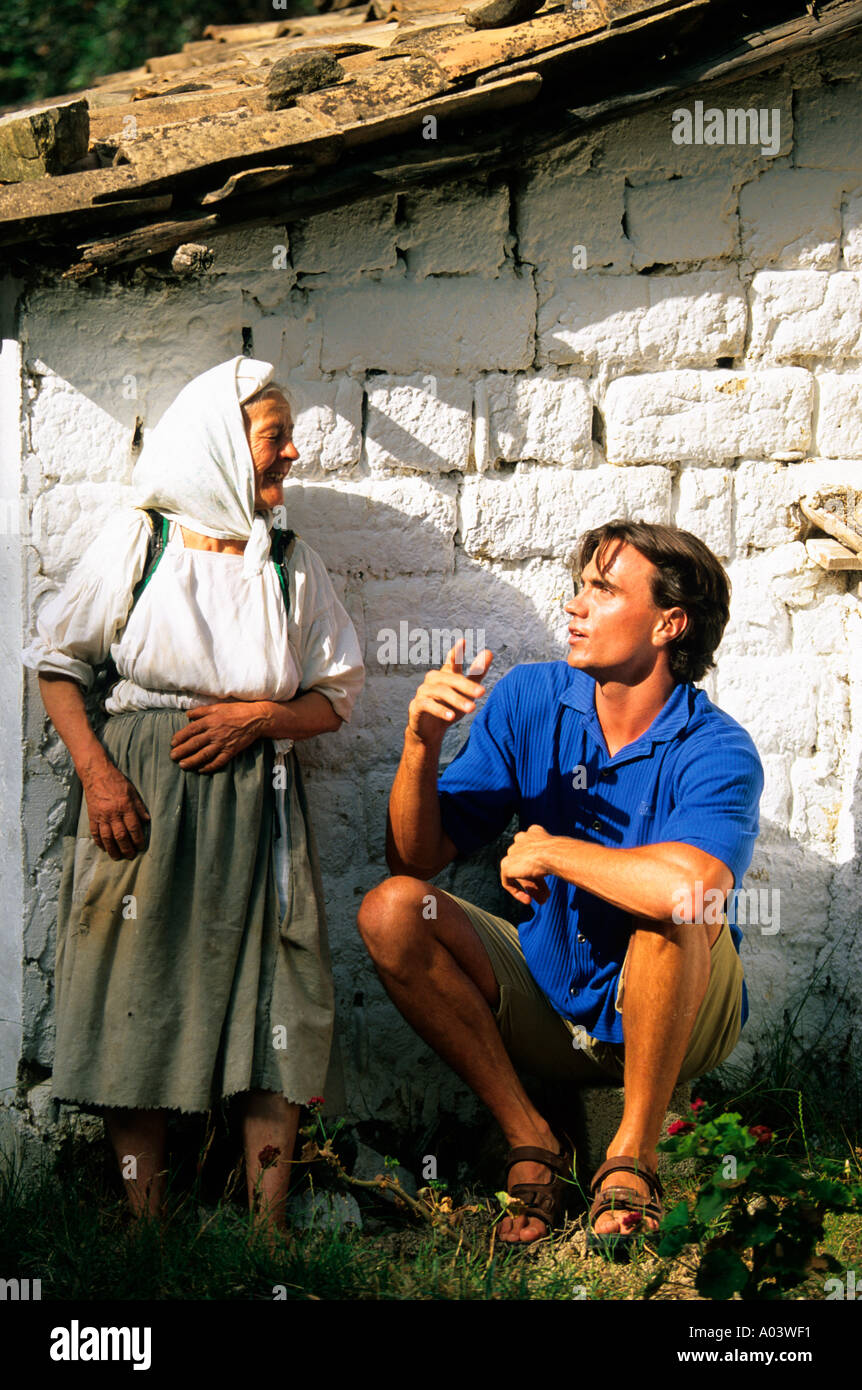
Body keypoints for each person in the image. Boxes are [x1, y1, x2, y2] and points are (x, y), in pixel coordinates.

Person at [23, 356, 364, 1233]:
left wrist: (257, 719)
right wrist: (99, 777)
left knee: (276, 990)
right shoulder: (143, 542)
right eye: (273, 438)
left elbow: (333, 699)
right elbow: (60, 667)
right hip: (142, 800)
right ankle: (145, 1221)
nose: (290, 454)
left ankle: (268, 1226)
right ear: (220, 443)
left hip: (259, 806)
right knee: (131, 983)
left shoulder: (291, 562)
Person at [358, 520, 763, 1251]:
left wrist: (551, 850)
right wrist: (420, 743)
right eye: (579, 586)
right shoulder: (532, 699)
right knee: (393, 912)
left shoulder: (717, 746)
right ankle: (531, 1140)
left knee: (671, 911)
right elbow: (413, 862)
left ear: (670, 623)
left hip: (683, 1010)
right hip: (551, 1002)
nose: (576, 605)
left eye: (603, 590)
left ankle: (633, 1156)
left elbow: (692, 890)